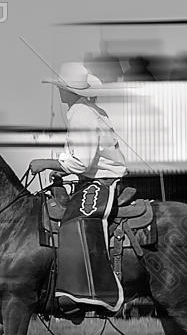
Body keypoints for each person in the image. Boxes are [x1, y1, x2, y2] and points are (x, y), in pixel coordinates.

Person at [29, 62, 127, 320]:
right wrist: (63, 167)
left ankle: (84, 294)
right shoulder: (85, 110)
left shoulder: (81, 113)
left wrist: (48, 163)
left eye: (61, 87)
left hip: (102, 181)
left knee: (75, 221)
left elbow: (83, 162)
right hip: (96, 177)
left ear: (67, 90)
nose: (59, 91)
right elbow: (82, 158)